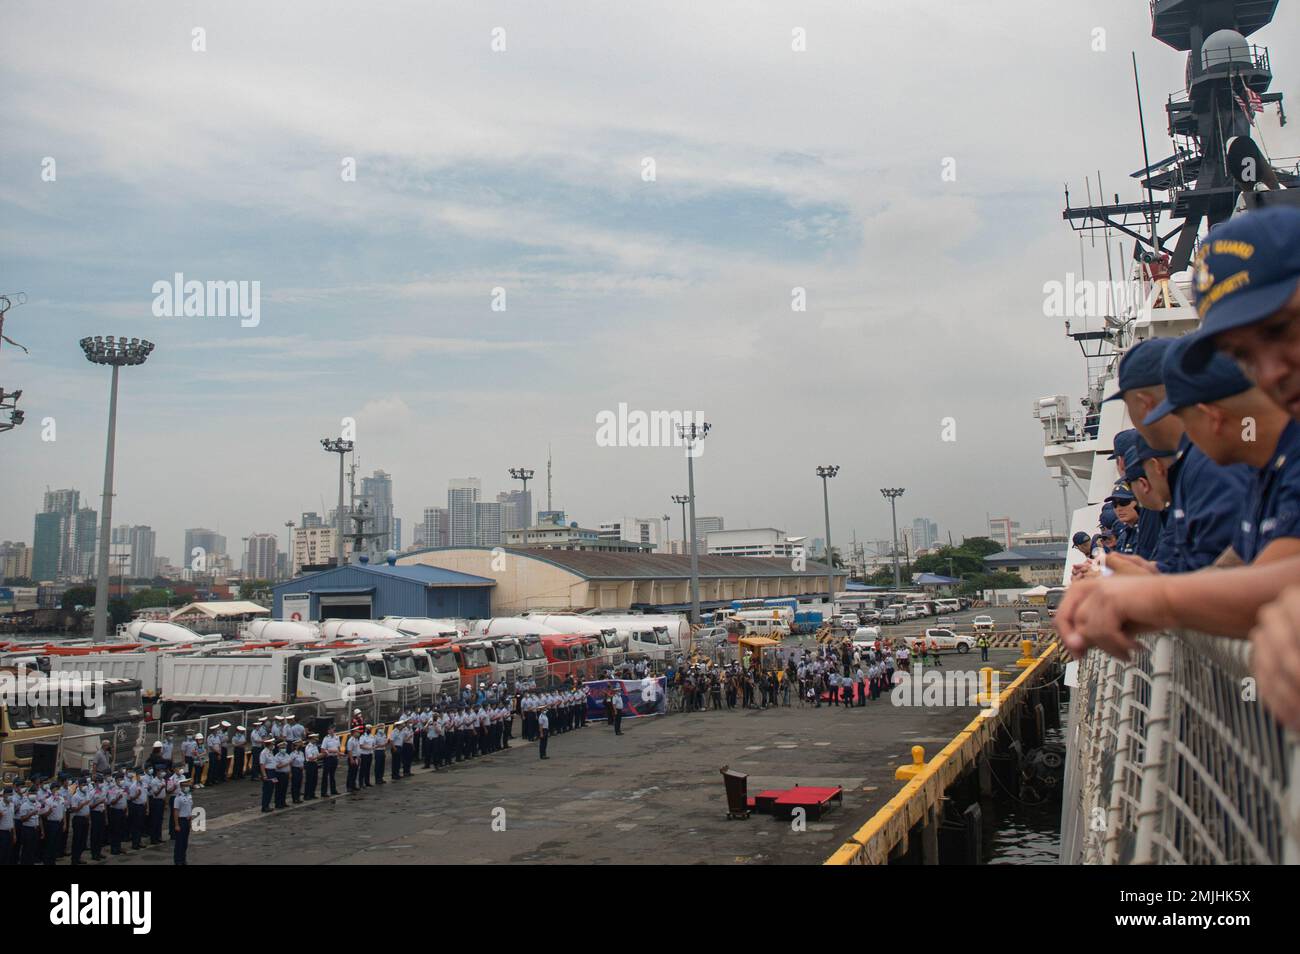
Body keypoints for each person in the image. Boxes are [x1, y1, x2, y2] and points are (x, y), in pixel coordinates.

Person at [1057, 206, 1300, 730]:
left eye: (1282, 327)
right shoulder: (1281, 455)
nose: (1273, 370)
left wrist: (1158, 594)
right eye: (1243, 355)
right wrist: (1151, 584)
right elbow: (1274, 567)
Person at [172, 777, 194, 865]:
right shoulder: (178, 798)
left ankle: (183, 859)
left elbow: (189, 808)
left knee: (185, 842)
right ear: (181, 787)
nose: (187, 787)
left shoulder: (188, 795)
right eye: (185, 786)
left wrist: (190, 821)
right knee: (179, 842)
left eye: (187, 785)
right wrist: (177, 825)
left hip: (187, 820)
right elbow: (176, 812)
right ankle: (178, 860)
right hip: (181, 821)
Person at [321, 726, 340, 796]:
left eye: (332, 729)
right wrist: (330, 751)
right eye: (330, 729)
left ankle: (333, 790)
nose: (332, 731)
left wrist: (338, 755)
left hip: (334, 757)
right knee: (325, 775)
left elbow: (338, 747)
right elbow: (322, 749)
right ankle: (324, 792)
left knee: (332, 775)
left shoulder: (336, 737)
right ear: (328, 731)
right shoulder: (326, 738)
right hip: (328, 758)